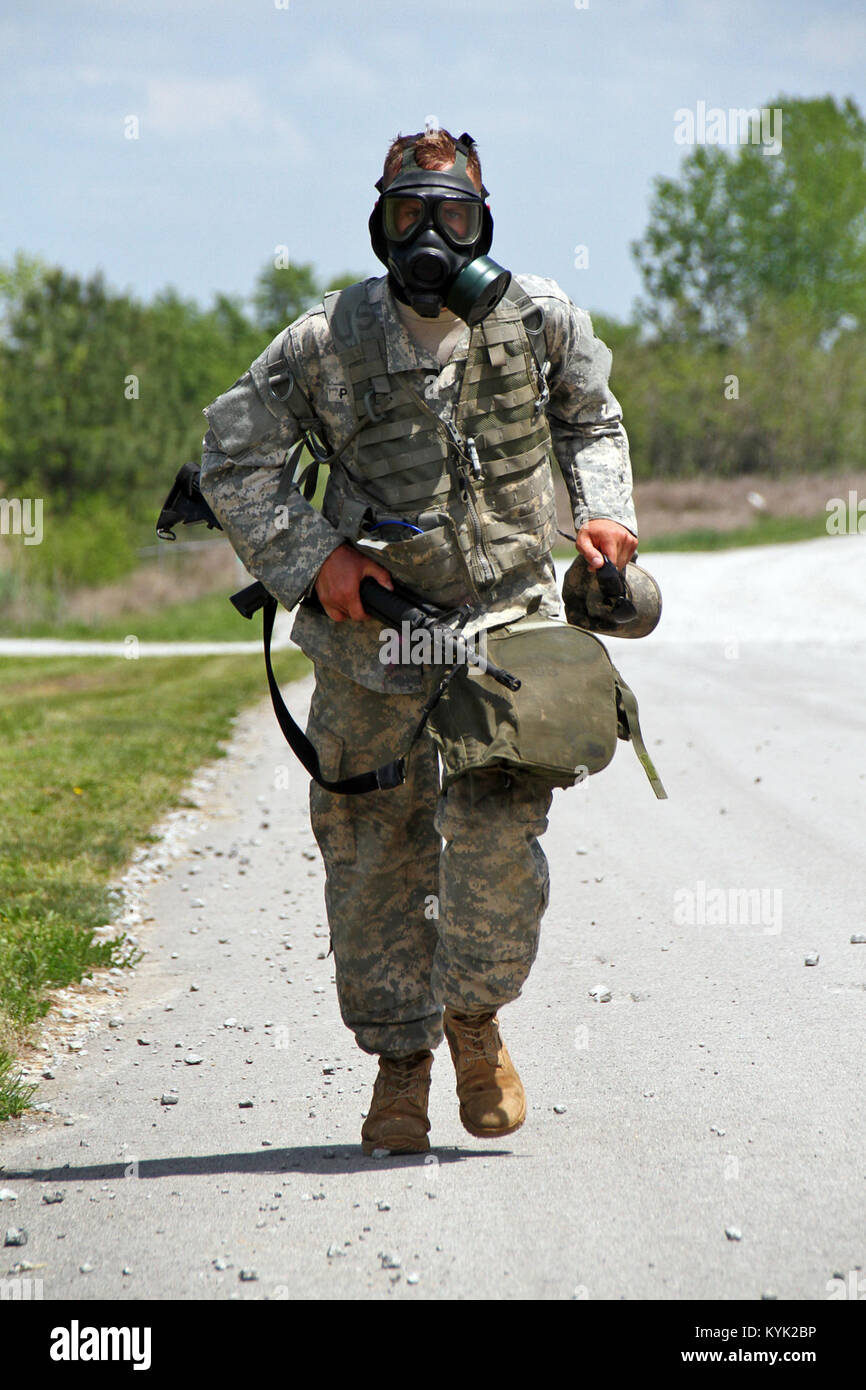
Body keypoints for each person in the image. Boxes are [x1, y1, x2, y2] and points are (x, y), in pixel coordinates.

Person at [199, 126, 638, 1155]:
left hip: (505, 626)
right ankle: (400, 1069)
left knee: (493, 841)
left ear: (483, 218)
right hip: (375, 641)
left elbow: (592, 420)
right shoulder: (323, 343)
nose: (431, 234)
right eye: (411, 213)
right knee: (371, 856)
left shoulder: (538, 318)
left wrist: (604, 513)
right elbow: (231, 462)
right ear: (379, 221)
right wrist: (316, 560)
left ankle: (474, 1023)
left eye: (451, 213)